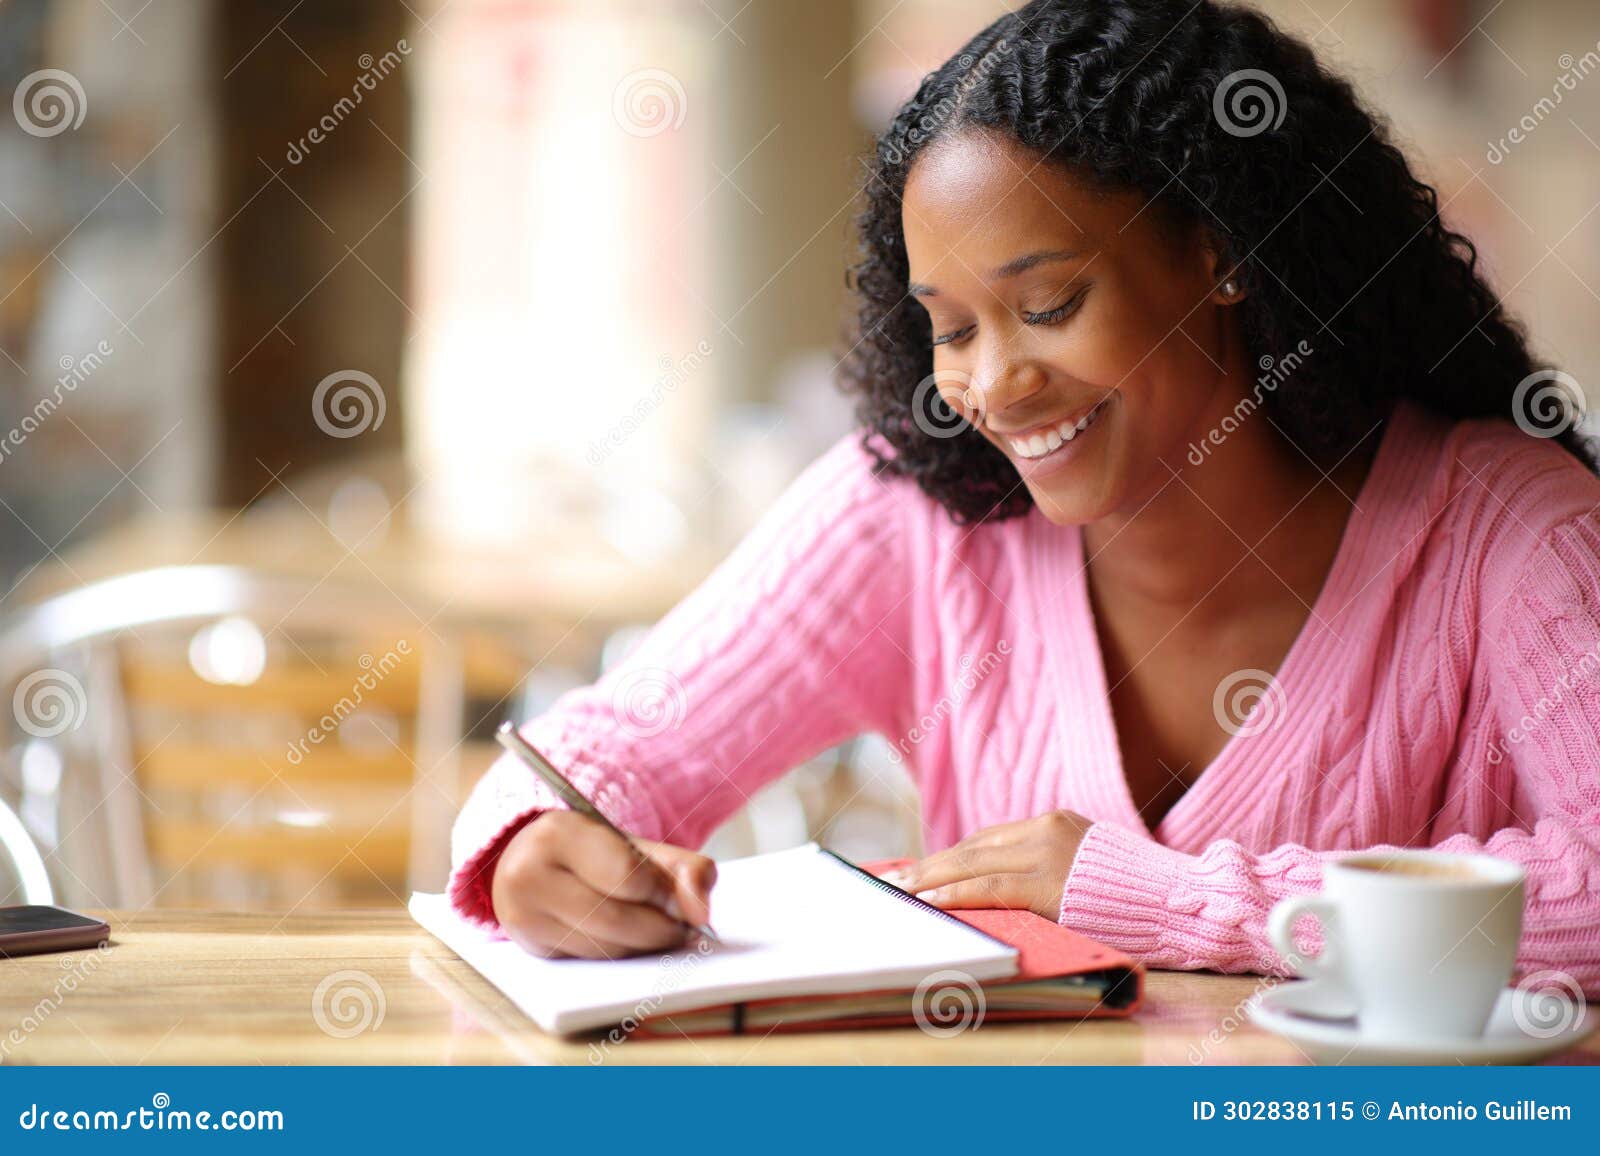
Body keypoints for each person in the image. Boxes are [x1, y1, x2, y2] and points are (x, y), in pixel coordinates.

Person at [450, 0, 1600, 991]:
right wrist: (529, 848)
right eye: (949, 330)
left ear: (1220, 253)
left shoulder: (1510, 534)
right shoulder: (913, 518)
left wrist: (1159, 899)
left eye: (1047, 305)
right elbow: (585, 757)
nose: (989, 386)